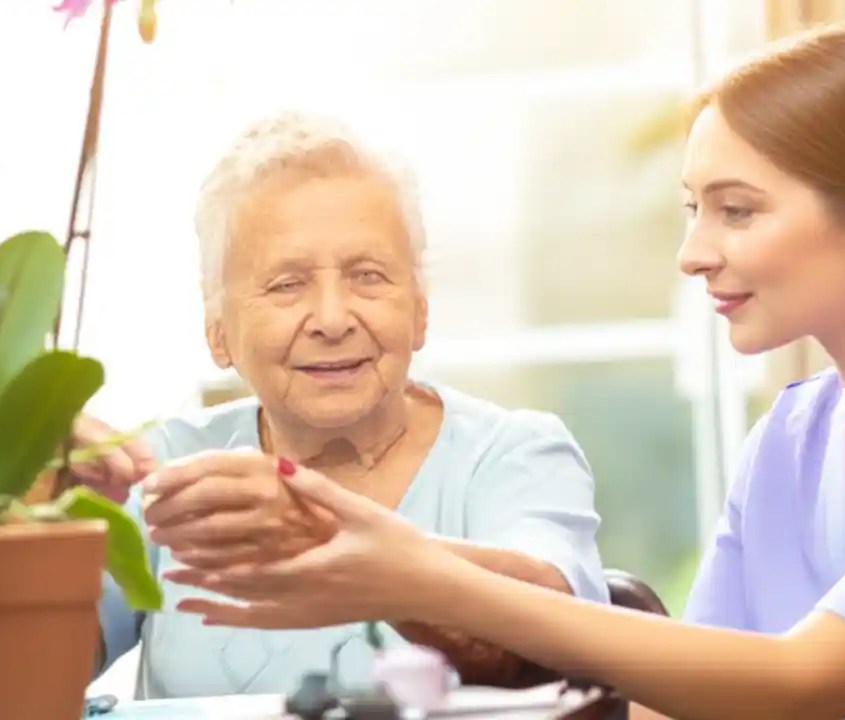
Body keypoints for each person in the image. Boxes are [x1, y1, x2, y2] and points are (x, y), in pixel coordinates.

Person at [147, 20, 845, 720]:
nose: (692, 252)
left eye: (734, 210)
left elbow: (803, 684)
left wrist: (420, 577)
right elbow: (684, 702)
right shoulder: (791, 436)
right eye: (690, 209)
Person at [78, 110, 609, 699]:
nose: (332, 319)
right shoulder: (168, 470)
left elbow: (559, 638)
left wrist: (334, 544)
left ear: (420, 311)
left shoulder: (514, 455)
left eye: (368, 275)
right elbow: (10, 669)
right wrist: (19, 504)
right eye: (286, 284)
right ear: (217, 331)